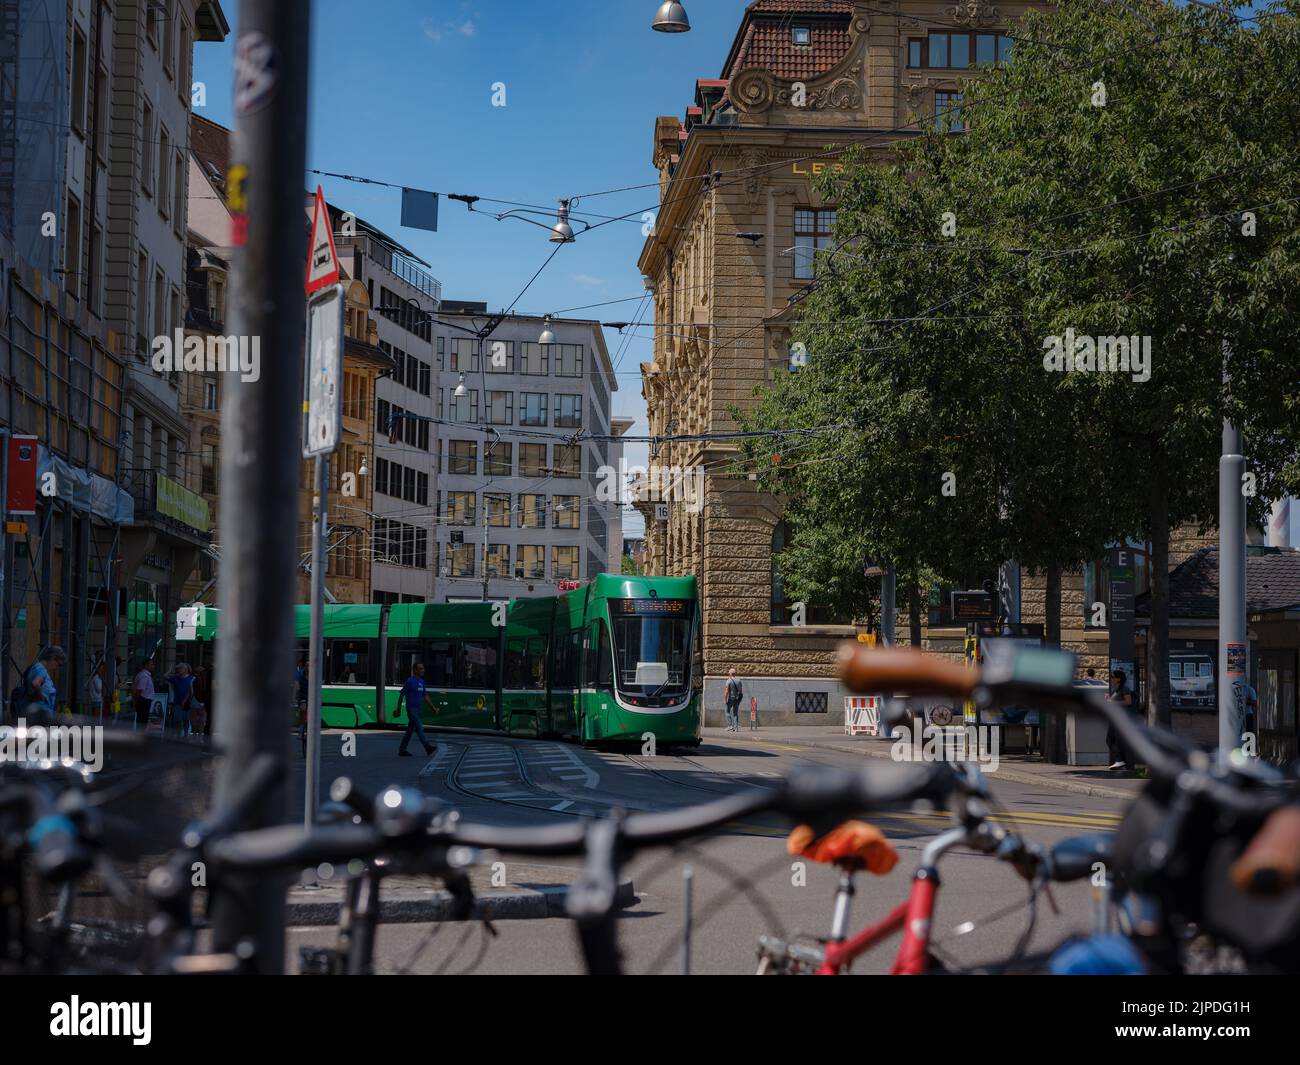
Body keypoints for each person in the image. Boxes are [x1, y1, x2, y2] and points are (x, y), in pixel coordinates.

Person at [396, 662, 436, 758]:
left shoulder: (422, 682)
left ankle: (402, 749)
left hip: (418, 709)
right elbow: (401, 695)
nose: (423, 670)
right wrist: (398, 709)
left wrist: (432, 707)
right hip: (411, 709)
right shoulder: (410, 681)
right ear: (415, 670)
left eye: (423, 668)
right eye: (420, 669)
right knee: (419, 727)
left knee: (410, 730)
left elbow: (425, 696)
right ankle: (427, 747)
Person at [23, 645, 66, 723]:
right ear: (52, 659)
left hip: (40, 713)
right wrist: (41, 697)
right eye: (58, 664)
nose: (56, 668)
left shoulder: (37, 667)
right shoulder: (41, 670)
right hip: (42, 714)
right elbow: (35, 683)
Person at [1106, 669, 1135, 771]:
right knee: (1110, 740)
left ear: (1119, 679)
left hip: (1121, 719)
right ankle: (1120, 760)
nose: (1111, 679)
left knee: (1117, 741)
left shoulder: (1124, 689)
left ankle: (1120, 760)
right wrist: (1109, 700)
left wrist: (1112, 702)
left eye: (1113, 677)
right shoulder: (1115, 690)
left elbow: (1128, 702)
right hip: (1114, 718)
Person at [166, 663, 195, 736]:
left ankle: (185, 735)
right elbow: (165, 676)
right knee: (178, 720)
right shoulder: (176, 678)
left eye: (180, 669)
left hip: (188, 703)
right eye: (177, 669)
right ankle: (178, 735)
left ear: (185, 670)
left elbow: (192, 691)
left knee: (186, 720)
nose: (178, 670)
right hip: (177, 702)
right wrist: (169, 671)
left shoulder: (192, 678)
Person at [132, 657, 156, 731]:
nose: (153, 666)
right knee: (142, 721)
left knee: (142, 720)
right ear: (146, 666)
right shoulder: (144, 676)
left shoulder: (143, 675)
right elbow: (139, 690)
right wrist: (135, 701)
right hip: (143, 701)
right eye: (151, 664)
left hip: (143, 701)